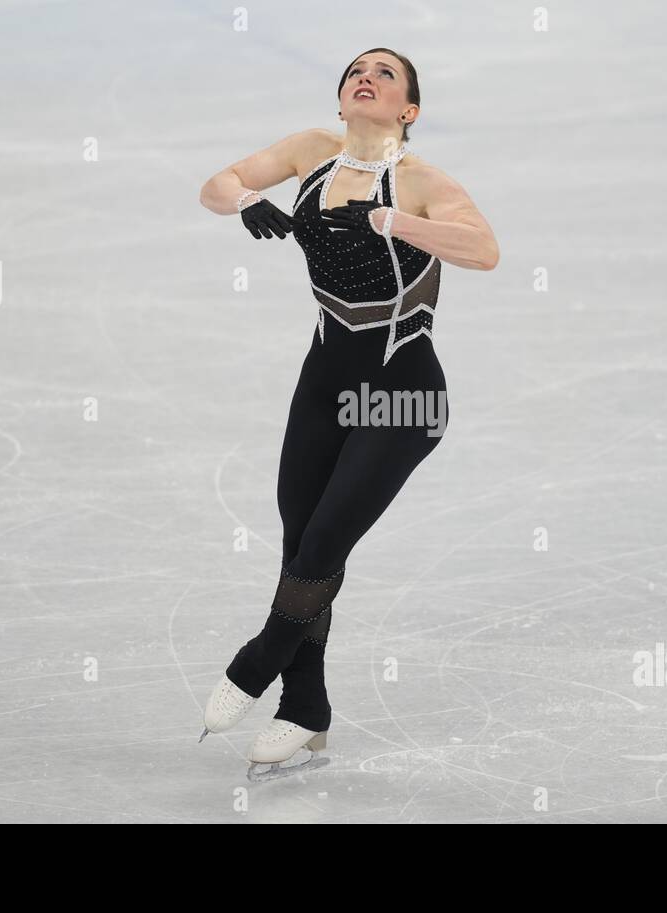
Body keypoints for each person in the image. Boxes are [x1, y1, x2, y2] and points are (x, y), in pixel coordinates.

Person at [197, 47, 499, 779]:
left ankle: (260, 657)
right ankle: (307, 708)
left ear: (409, 110)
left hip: (403, 391)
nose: (366, 76)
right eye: (356, 71)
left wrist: (394, 220)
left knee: (324, 541)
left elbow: (484, 250)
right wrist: (244, 200)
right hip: (323, 381)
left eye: (386, 74)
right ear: (341, 100)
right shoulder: (312, 153)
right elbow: (218, 182)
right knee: (300, 541)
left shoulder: (422, 180)